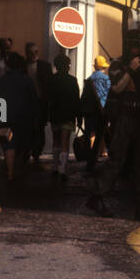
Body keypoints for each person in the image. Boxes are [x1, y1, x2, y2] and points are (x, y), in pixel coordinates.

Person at [86, 45, 140, 222]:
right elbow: (117, 88)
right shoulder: (119, 64)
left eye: (138, 43)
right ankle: (97, 195)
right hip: (124, 117)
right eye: (133, 43)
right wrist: (130, 69)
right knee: (117, 159)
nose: (136, 48)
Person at [0, 61, 40, 183]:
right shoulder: (27, 80)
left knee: (9, 145)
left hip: (5, 117)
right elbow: (33, 100)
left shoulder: (1, 80)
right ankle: (18, 168)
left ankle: (10, 173)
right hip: (24, 118)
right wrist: (35, 118)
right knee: (23, 144)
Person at [46, 53, 81, 186]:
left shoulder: (52, 80)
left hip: (55, 114)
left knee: (56, 139)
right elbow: (76, 100)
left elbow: (48, 97)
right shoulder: (72, 80)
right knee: (65, 141)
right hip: (68, 115)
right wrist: (79, 116)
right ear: (67, 66)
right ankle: (63, 169)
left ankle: (55, 166)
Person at [80, 55, 112, 174]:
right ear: (103, 67)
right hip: (102, 110)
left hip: (89, 111)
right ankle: (105, 154)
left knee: (90, 133)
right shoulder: (106, 79)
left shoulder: (89, 79)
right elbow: (109, 94)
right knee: (102, 133)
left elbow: (84, 96)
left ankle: (91, 158)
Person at [23, 42, 53, 164]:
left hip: (41, 102)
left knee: (40, 128)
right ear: (27, 53)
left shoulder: (45, 66)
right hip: (27, 103)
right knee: (28, 128)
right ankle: (28, 151)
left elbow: (49, 85)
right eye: (31, 52)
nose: (34, 54)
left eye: (36, 52)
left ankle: (37, 152)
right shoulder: (23, 66)